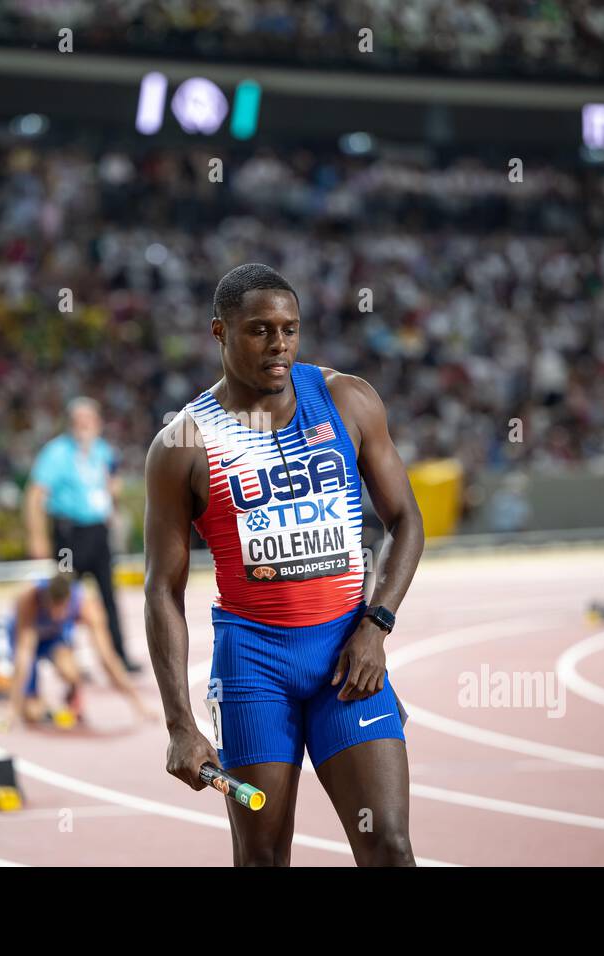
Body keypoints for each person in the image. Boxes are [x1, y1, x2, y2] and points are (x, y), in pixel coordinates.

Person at [144, 263, 425, 866]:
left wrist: (376, 625)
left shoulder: (348, 400)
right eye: (260, 330)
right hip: (254, 666)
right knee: (264, 857)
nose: (279, 346)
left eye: (290, 330)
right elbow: (162, 591)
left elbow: (407, 521)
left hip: (348, 655)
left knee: (390, 848)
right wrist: (179, 724)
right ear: (219, 332)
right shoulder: (182, 445)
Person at [24, 397, 140, 671]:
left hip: (97, 532)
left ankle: (118, 656)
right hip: (68, 534)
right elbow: (35, 494)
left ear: (98, 423)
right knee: (64, 597)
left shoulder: (103, 451)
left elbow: (111, 482)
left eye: (88, 420)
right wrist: (37, 536)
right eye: (78, 420)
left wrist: (114, 503)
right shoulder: (56, 453)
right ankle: (68, 660)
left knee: (108, 597)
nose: (83, 425)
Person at [0, 573, 154, 728]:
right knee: (31, 714)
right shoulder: (29, 598)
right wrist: (11, 710)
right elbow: (24, 655)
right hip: (26, 636)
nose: (55, 614)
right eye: (52, 608)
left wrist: (138, 705)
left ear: (68, 601)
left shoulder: (85, 604)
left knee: (71, 671)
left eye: (60, 609)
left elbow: (107, 658)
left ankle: (71, 698)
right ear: (45, 599)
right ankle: (41, 705)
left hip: (54, 638)